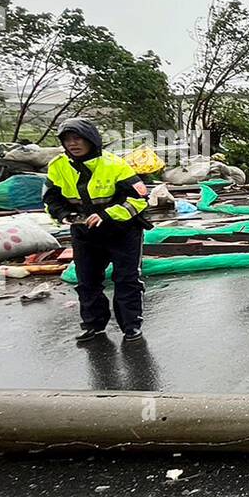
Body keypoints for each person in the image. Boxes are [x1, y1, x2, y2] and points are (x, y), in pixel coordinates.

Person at [43, 118, 151, 343]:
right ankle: (93, 325)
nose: (72, 144)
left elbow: (139, 199)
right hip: (85, 232)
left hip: (121, 231)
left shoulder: (115, 164)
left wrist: (106, 214)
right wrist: (64, 215)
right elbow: (51, 198)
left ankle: (131, 326)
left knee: (126, 279)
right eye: (67, 140)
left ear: (91, 140)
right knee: (87, 281)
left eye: (77, 138)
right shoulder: (58, 166)